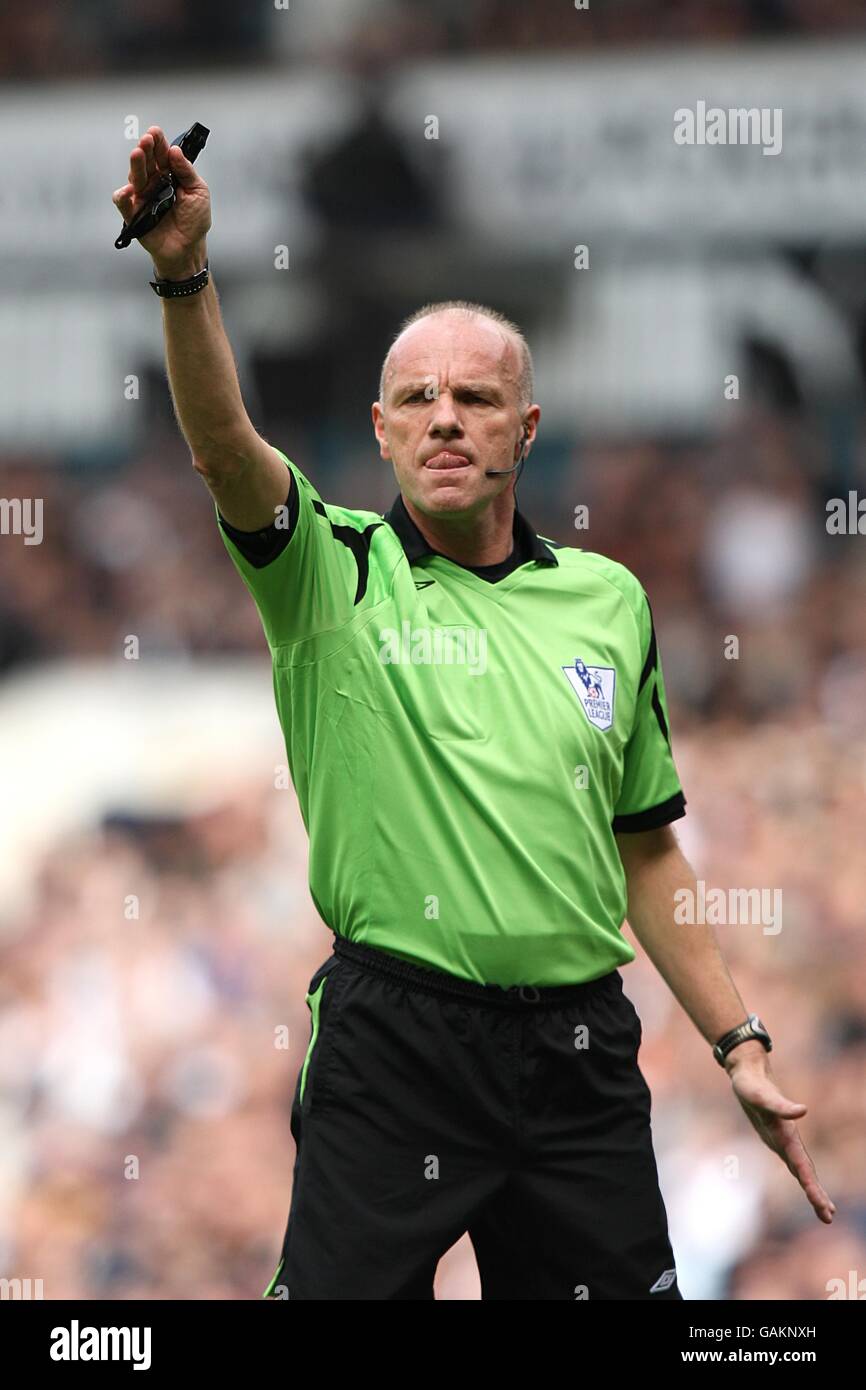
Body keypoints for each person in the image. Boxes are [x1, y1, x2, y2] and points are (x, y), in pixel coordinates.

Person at [112, 126, 836, 1301]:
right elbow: (223, 448)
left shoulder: (608, 601)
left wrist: (737, 1042)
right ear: (382, 428)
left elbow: (644, 846)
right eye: (417, 399)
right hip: (395, 1046)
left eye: (475, 397)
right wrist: (183, 274)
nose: (445, 417)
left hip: (579, 1055)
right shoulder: (329, 573)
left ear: (524, 429)